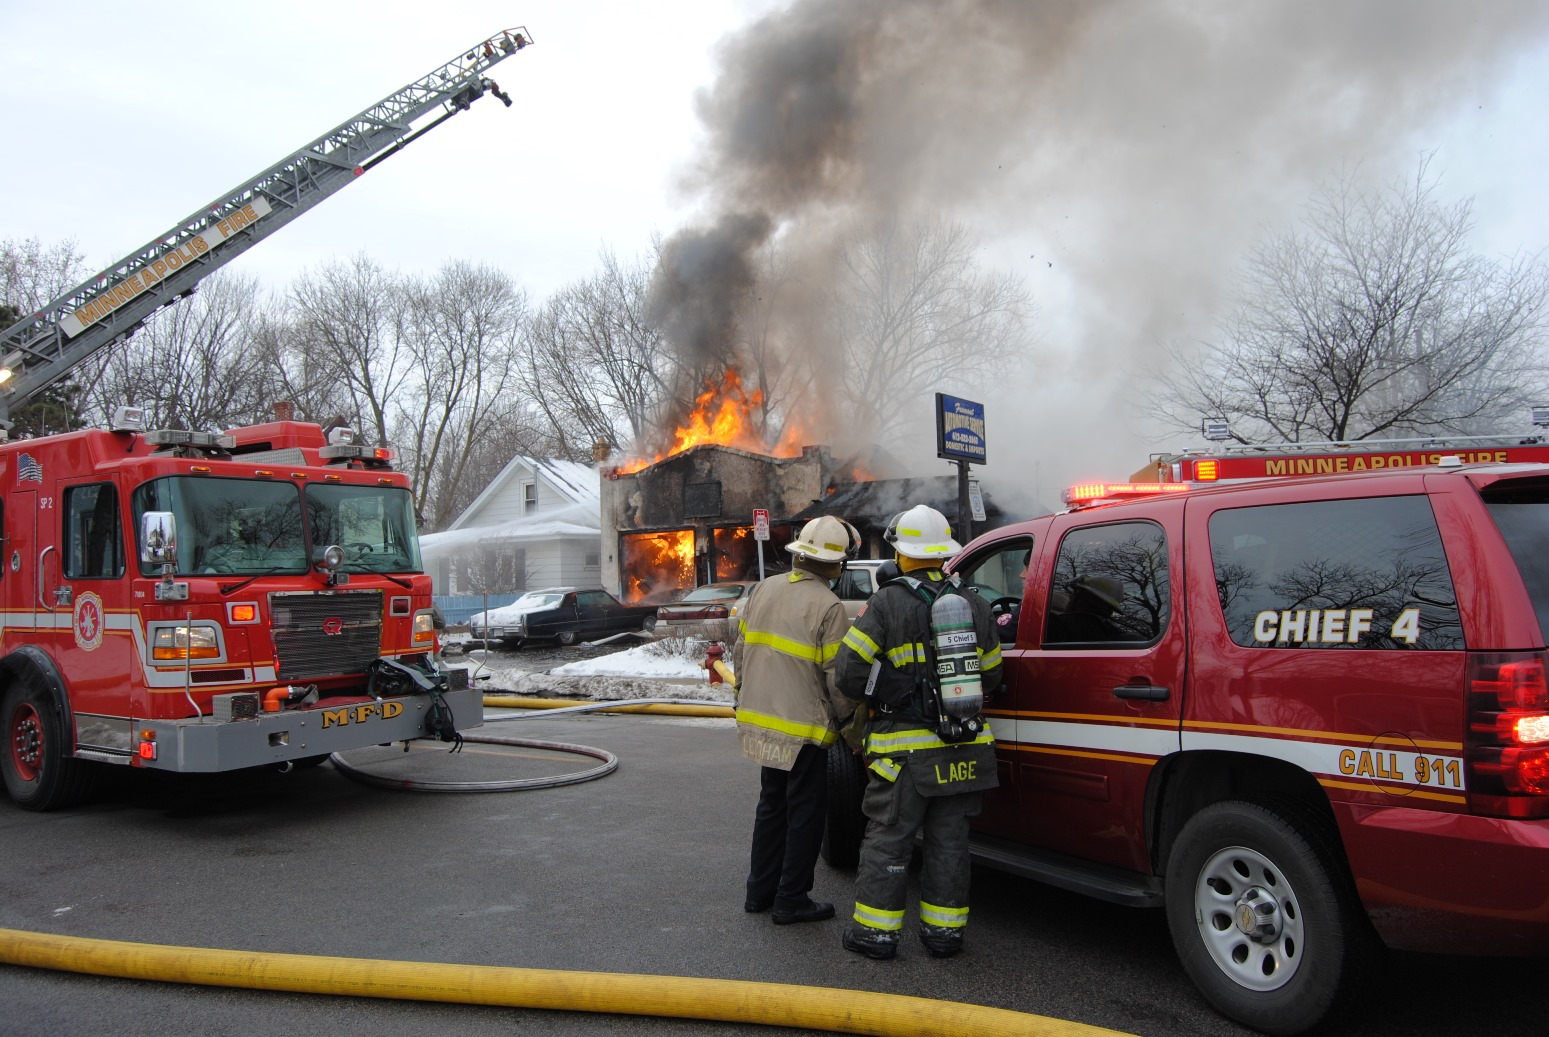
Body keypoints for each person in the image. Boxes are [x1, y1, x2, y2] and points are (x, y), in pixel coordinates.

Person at [835, 504, 1003, 960]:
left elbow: (848, 672)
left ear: (902, 552)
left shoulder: (887, 602)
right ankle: (945, 935)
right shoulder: (974, 603)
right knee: (950, 843)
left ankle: (875, 934)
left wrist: (885, 686)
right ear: (943, 552)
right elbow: (990, 677)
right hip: (963, 748)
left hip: (903, 755)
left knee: (890, 839)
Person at [731, 514, 859, 925]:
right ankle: (791, 899)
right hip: (803, 729)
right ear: (835, 564)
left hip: (762, 721)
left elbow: (740, 650)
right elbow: (837, 680)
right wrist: (853, 729)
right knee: (805, 813)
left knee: (771, 806)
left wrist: (741, 695)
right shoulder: (829, 606)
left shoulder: (763, 589)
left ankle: (759, 891)